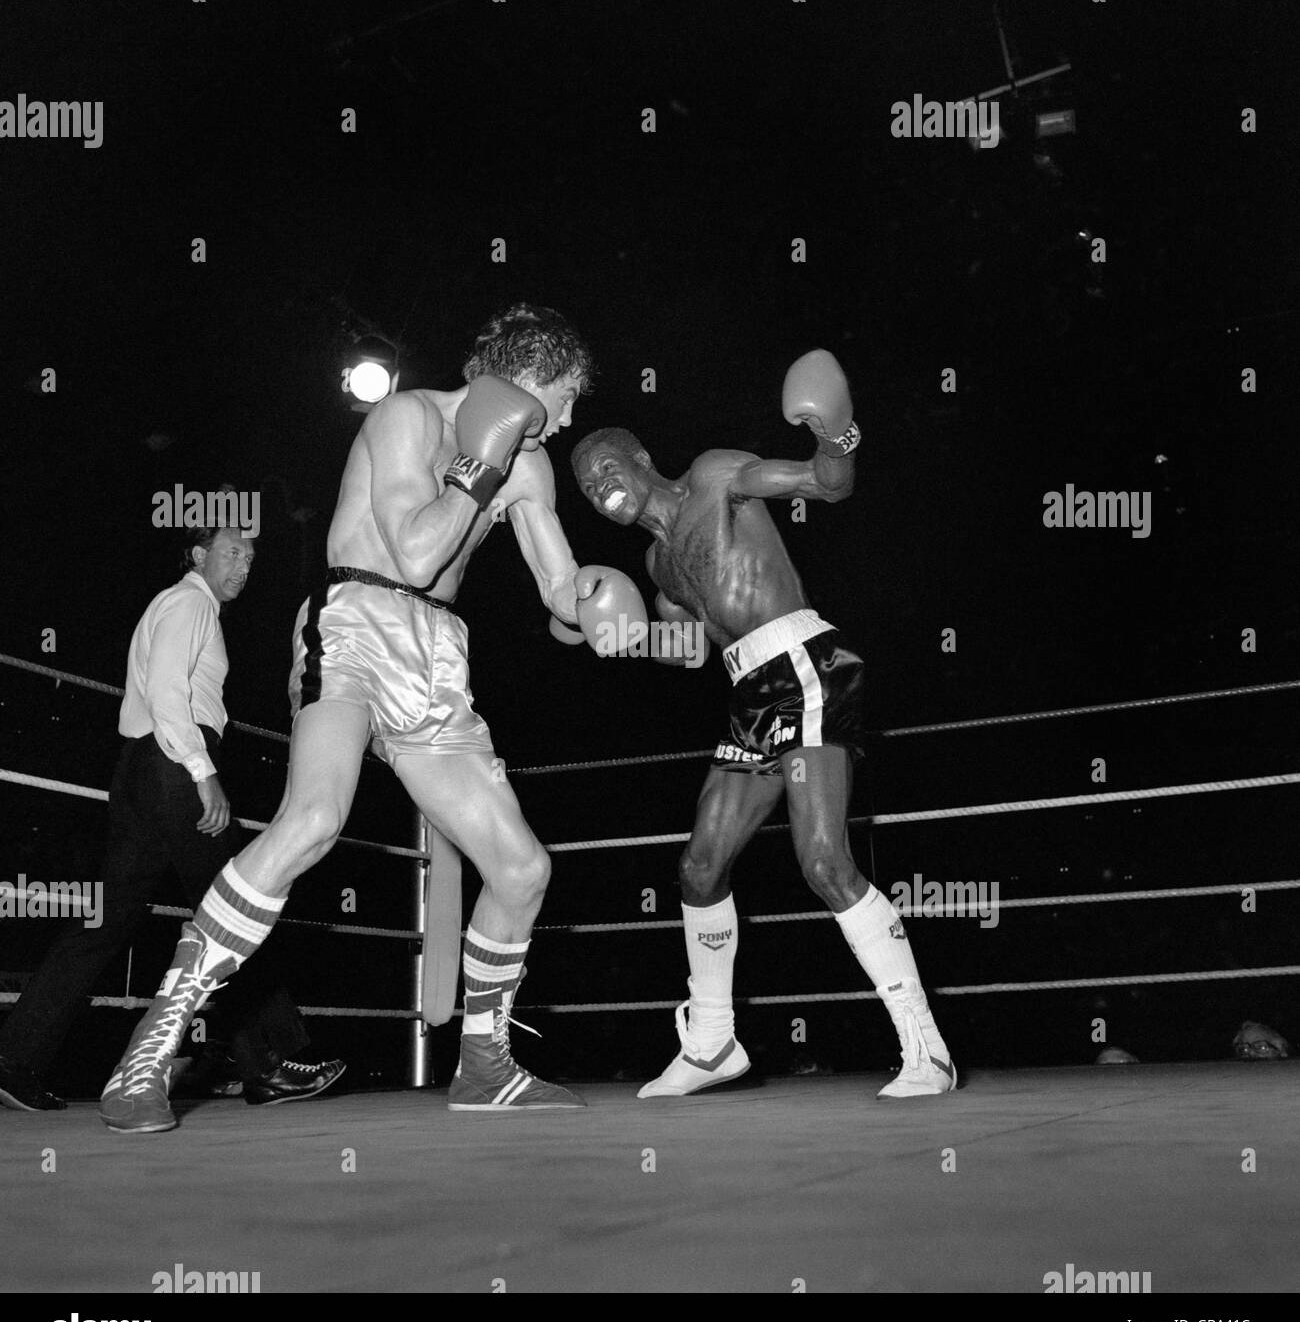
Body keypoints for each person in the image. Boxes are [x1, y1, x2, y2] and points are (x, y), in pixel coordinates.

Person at [100, 304, 602, 1133]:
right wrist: (478, 461)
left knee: (521, 869)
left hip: (438, 653)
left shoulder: (530, 468)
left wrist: (613, 615)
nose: (575, 417)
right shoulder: (408, 416)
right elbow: (413, 551)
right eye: (571, 395)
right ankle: (152, 1045)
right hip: (357, 619)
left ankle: (484, 1065)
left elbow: (559, 587)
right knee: (314, 817)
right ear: (528, 380)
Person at [570, 350, 957, 1100]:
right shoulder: (656, 567)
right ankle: (713, 1043)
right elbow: (686, 651)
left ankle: (926, 1049)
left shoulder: (715, 477)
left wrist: (836, 434)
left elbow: (826, 486)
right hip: (749, 691)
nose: (602, 486)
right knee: (699, 867)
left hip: (806, 661)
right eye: (587, 486)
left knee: (823, 862)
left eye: (608, 466)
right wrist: (614, 635)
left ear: (641, 458)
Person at [0, 523, 344, 1114]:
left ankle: (14, 1059)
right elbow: (166, 692)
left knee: (103, 924)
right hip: (171, 763)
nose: (244, 565)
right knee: (240, 902)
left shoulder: (178, 604)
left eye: (251, 557)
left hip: (139, 770)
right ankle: (272, 1062)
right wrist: (201, 771)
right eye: (232, 552)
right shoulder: (191, 602)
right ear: (198, 555)